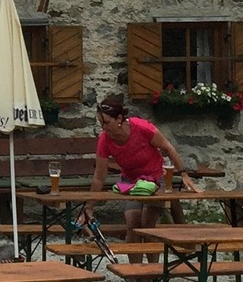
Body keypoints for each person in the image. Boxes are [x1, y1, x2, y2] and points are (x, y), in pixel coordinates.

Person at [83, 93, 197, 234]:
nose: (104, 127)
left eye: (106, 122)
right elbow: (99, 176)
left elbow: (168, 147)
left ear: (119, 118)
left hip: (154, 179)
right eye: (101, 123)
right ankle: (133, 253)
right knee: (132, 222)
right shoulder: (105, 140)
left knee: (148, 224)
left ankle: (153, 253)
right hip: (131, 183)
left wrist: (184, 174)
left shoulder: (142, 128)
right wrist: (89, 206)